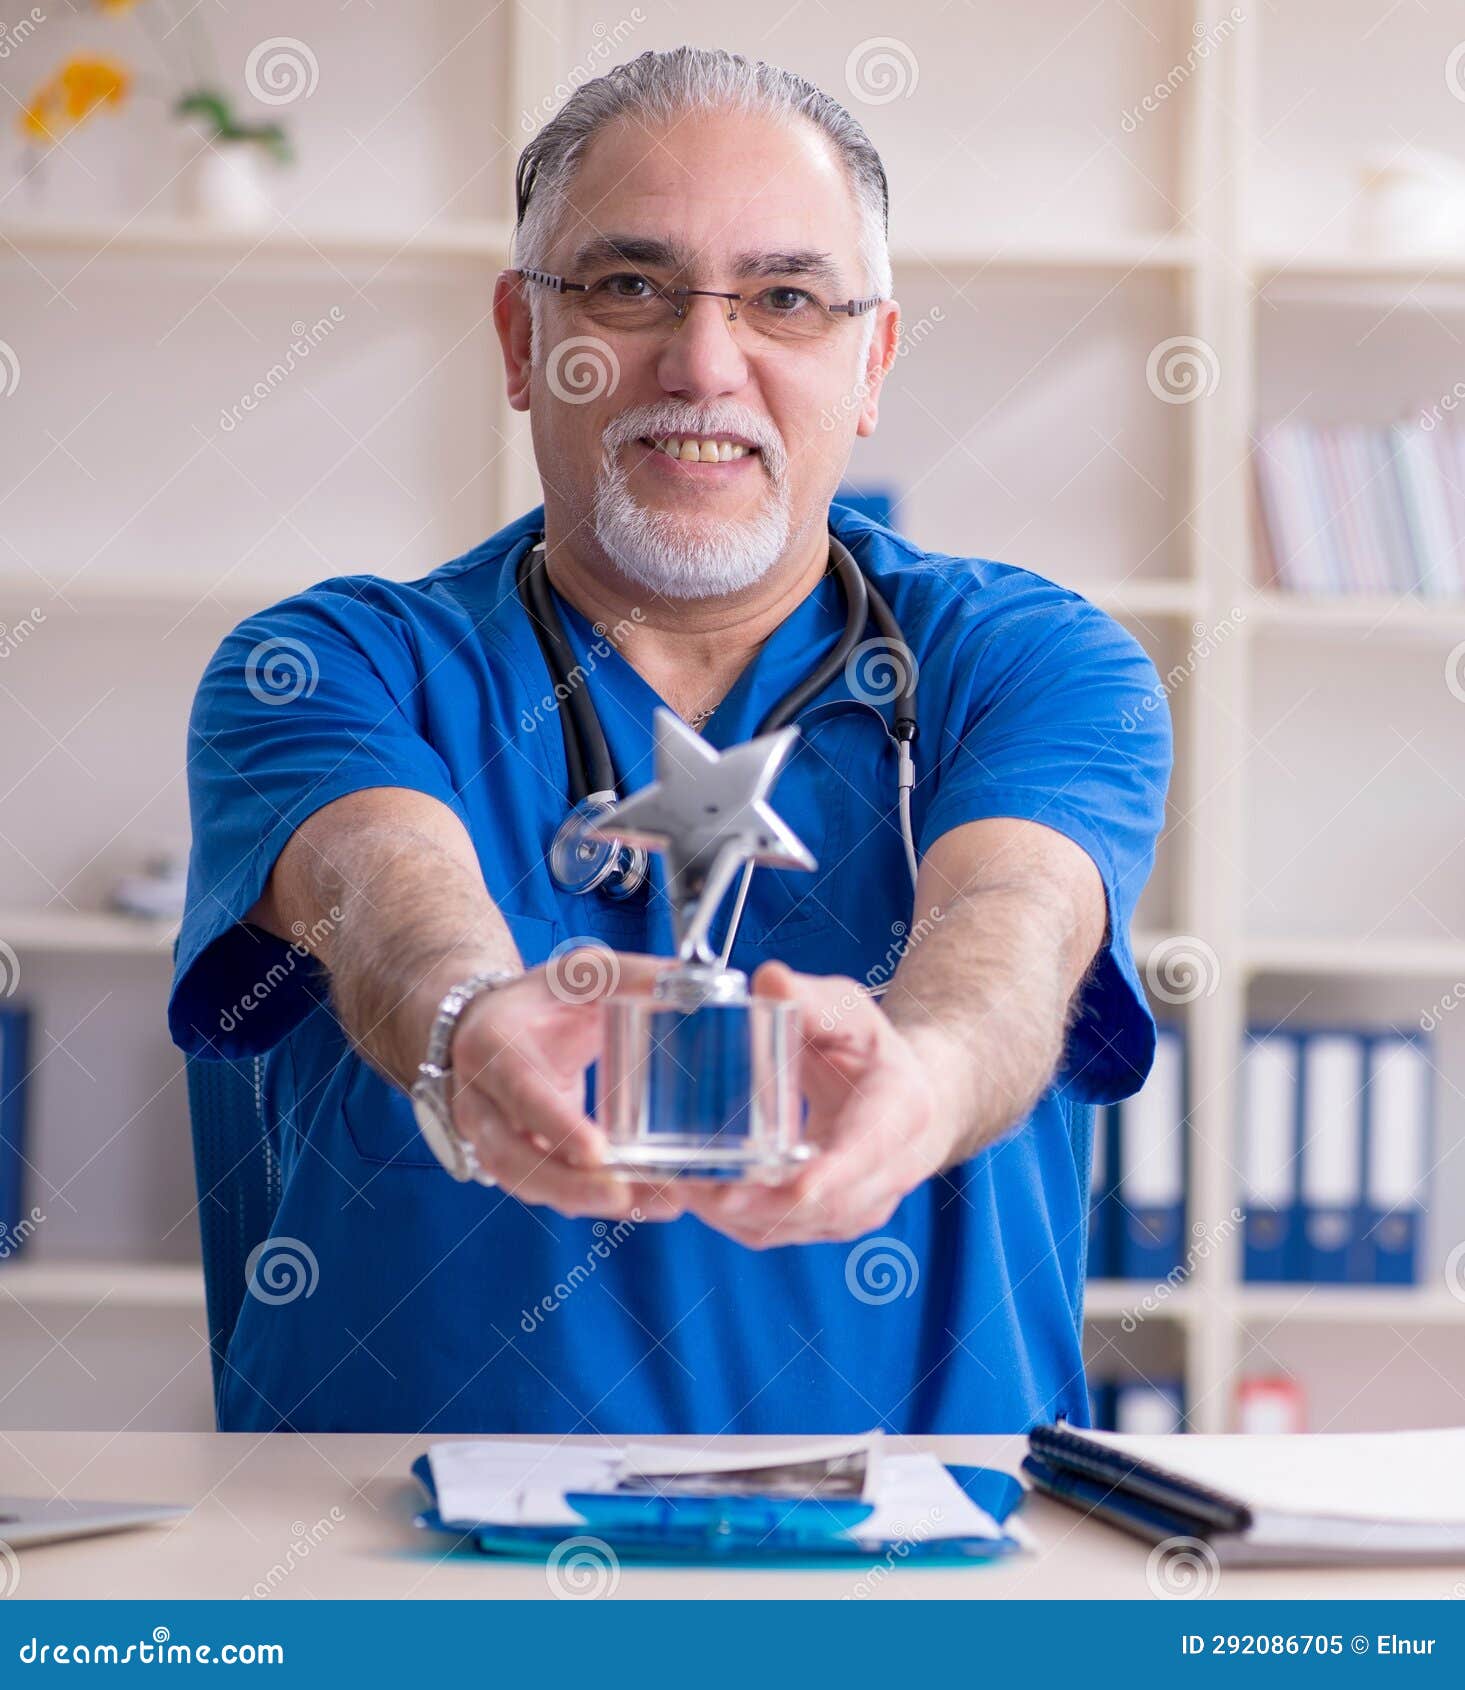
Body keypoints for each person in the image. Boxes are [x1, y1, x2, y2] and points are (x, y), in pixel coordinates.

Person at [169, 46, 1171, 1435]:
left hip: (923, 1587)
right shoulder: (325, 669)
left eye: (786, 298)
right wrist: (467, 1027)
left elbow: (1016, 917)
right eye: (630, 287)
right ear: (523, 342)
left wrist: (930, 1076)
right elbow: (382, 889)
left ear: (870, 360)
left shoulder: (1027, 665)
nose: (704, 365)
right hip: (392, 1587)